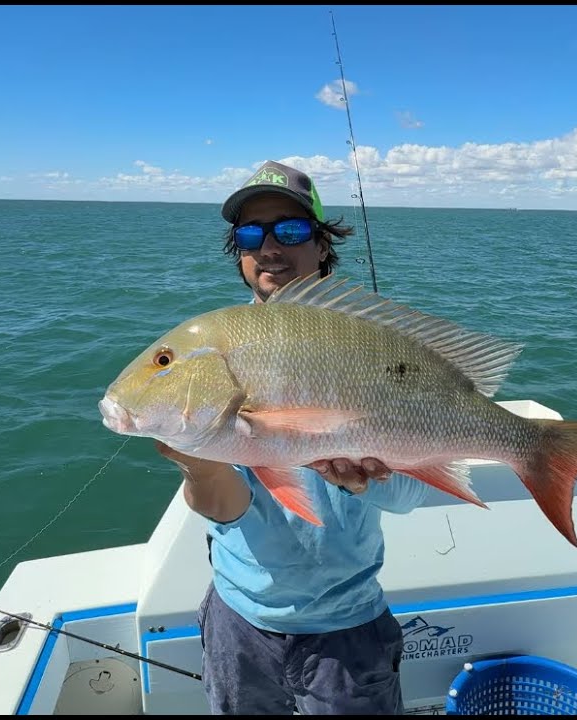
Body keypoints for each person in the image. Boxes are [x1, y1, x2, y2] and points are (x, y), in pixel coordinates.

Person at [153, 160, 433, 715]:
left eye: (291, 229)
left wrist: (363, 484)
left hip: (348, 629)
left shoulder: (372, 340)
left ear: (323, 243)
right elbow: (227, 510)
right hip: (241, 620)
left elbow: (408, 497)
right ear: (238, 250)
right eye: (251, 234)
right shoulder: (215, 352)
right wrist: (198, 464)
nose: (270, 247)